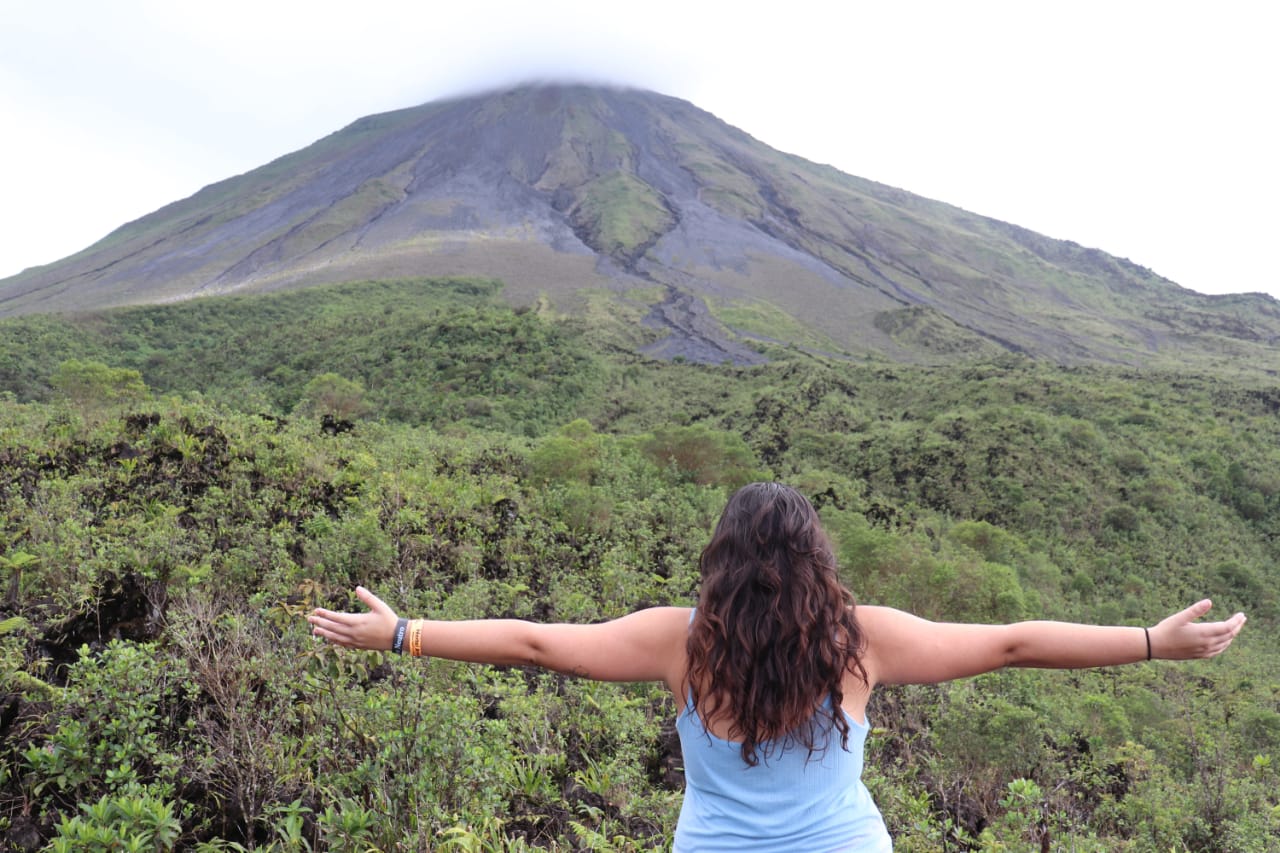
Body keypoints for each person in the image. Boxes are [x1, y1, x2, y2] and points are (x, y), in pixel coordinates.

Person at [307, 482, 1246, 851]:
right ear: (816, 561)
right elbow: (1011, 641)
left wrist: (405, 634)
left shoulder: (677, 641)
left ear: (718, 557)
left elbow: (538, 641)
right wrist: (1154, 641)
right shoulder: (861, 640)